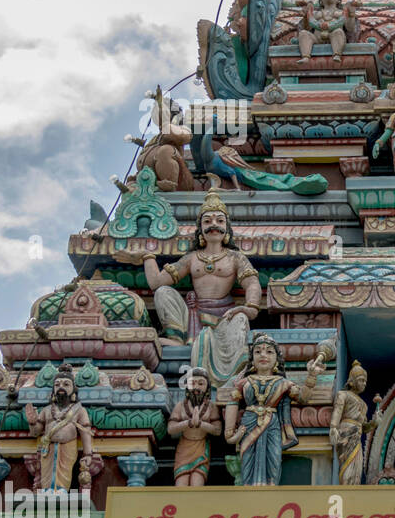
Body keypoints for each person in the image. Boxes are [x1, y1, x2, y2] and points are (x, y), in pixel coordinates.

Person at [114, 189, 260, 387]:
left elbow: (252, 282)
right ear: (200, 229)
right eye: (207, 221)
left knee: (240, 318)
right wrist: (147, 257)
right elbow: (156, 282)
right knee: (163, 292)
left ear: (227, 228)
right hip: (194, 315)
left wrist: (250, 307)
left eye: (219, 221)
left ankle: (231, 379)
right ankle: (176, 338)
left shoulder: (235, 258)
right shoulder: (192, 258)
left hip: (224, 317)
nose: (214, 225)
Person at [224, 334, 323, 486]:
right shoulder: (243, 383)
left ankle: (271, 489)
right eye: (258, 351)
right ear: (252, 359)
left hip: (272, 426)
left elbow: (303, 398)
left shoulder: (284, 383)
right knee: (247, 460)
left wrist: (312, 375)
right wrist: (230, 434)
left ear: (277, 359)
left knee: (274, 459)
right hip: (248, 425)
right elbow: (232, 402)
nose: (263, 355)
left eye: (269, 352)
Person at [21, 364, 97, 492]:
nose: (61, 387)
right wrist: (32, 423)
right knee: (46, 471)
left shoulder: (79, 410)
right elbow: (35, 433)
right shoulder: (47, 410)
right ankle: (47, 490)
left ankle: (61, 490)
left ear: (73, 389)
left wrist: (88, 454)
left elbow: (85, 432)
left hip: (68, 446)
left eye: (66, 384)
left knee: (65, 469)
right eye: (57, 385)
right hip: (48, 447)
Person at [167, 367, 221, 486]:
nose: (196, 387)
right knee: (181, 482)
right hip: (184, 447)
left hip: (201, 447)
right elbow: (170, 429)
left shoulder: (211, 407)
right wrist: (189, 423)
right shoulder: (180, 406)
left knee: (197, 481)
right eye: (192, 383)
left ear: (207, 387)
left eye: (201, 383)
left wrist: (201, 424)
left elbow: (217, 430)